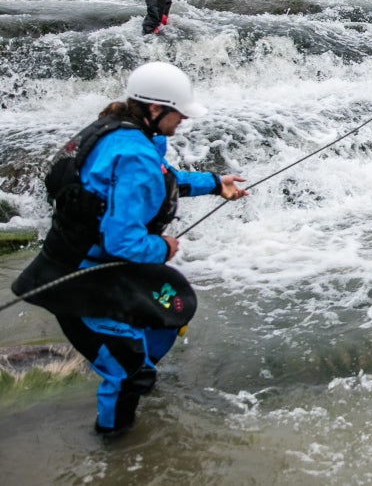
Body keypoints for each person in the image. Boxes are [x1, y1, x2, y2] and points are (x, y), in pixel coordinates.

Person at [12, 62, 248, 436]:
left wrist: (216, 183)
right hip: (80, 282)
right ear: (154, 109)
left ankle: (136, 371)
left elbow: (163, 178)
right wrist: (162, 246)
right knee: (127, 374)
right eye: (179, 111)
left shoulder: (123, 133)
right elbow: (122, 242)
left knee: (167, 317)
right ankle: (114, 448)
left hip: (100, 267)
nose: (184, 118)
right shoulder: (134, 154)